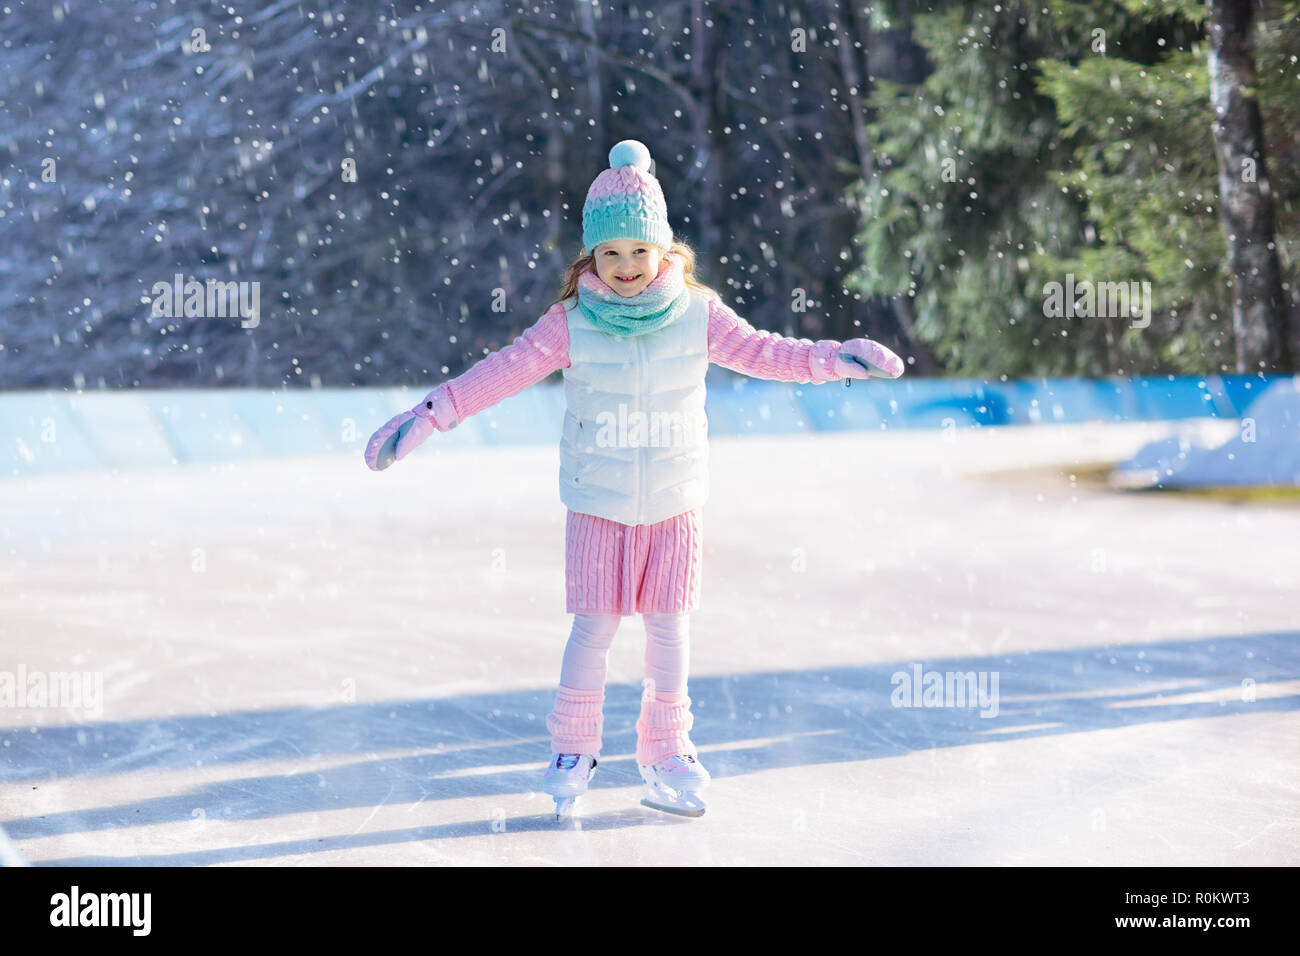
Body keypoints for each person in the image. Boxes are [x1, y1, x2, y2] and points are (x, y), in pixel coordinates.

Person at [364, 139, 904, 818]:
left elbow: (768, 352)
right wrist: (430, 414)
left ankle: (668, 751)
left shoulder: (699, 314)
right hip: (597, 503)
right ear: (591, 258)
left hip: (675, 504)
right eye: (610, 254)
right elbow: (501, 373)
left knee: (669, 629)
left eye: (638, 251)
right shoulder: (569, 324)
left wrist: (834, 359)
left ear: (664, 251)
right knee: (593, 629)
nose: (625, 267)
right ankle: (573, 750)